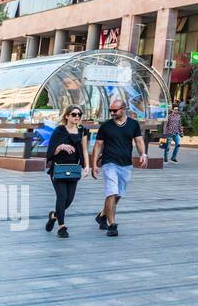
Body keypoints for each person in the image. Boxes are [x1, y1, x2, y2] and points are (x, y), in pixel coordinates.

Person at [92, 99, 147, 237]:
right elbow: (98, 145)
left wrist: (143, 154)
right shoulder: (105, 126)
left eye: (115, 110)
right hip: (109, 162)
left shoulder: (133, 124)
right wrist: (93, 164)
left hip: (126, 164)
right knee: (111, 191)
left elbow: (139, 140)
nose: (112, 113)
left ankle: (102, 215)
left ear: (124, 109)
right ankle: (112, 224)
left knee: (118, 194)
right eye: (110, 110)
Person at [44, 105, 90, 238]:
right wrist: (61, 146)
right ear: (67, 116)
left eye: (79, 115)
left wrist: (87, 166)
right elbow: (51, 150)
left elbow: (85, 150)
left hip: (74, 169)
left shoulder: (82, 131)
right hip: (58, 168)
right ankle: (61, 227)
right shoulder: (59, 130)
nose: (77, 117)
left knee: (69, 200)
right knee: (62, 197)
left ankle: (54, 216)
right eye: (74, 114)